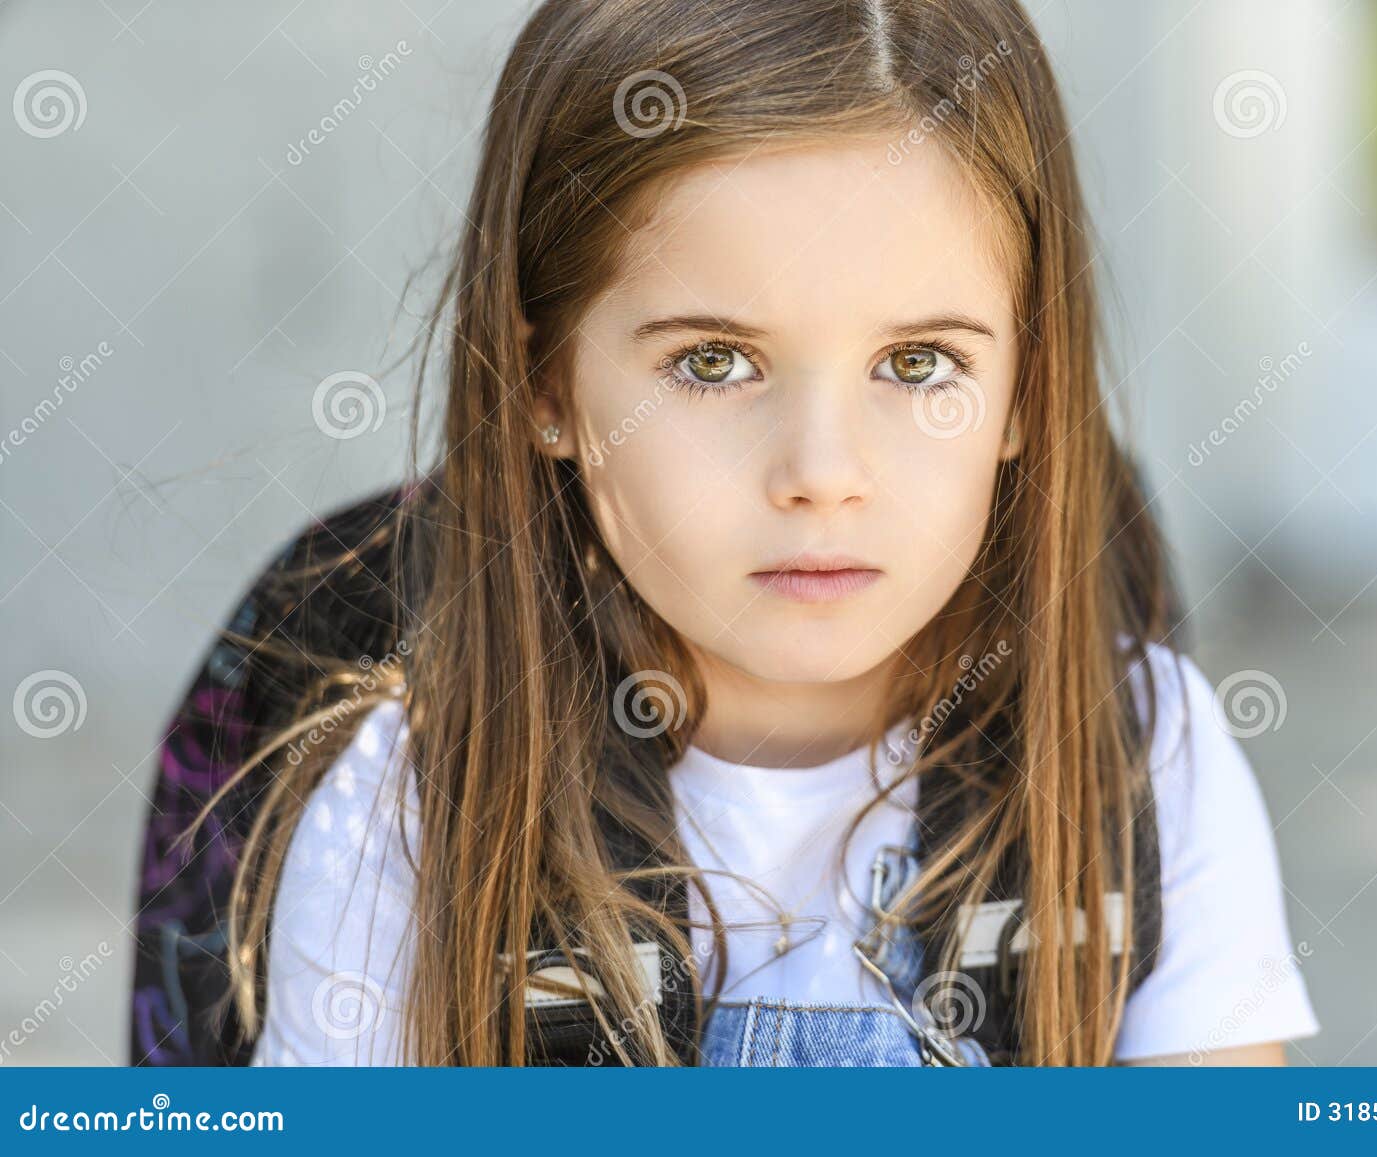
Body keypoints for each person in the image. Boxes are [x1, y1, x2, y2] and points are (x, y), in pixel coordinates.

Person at [191, 0, 1319, 1067]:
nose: (821, 474)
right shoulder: (414, 811)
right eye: (713, 362)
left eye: (917, 363)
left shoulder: (1143, 761)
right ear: (543, 383)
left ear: (1028, 384)